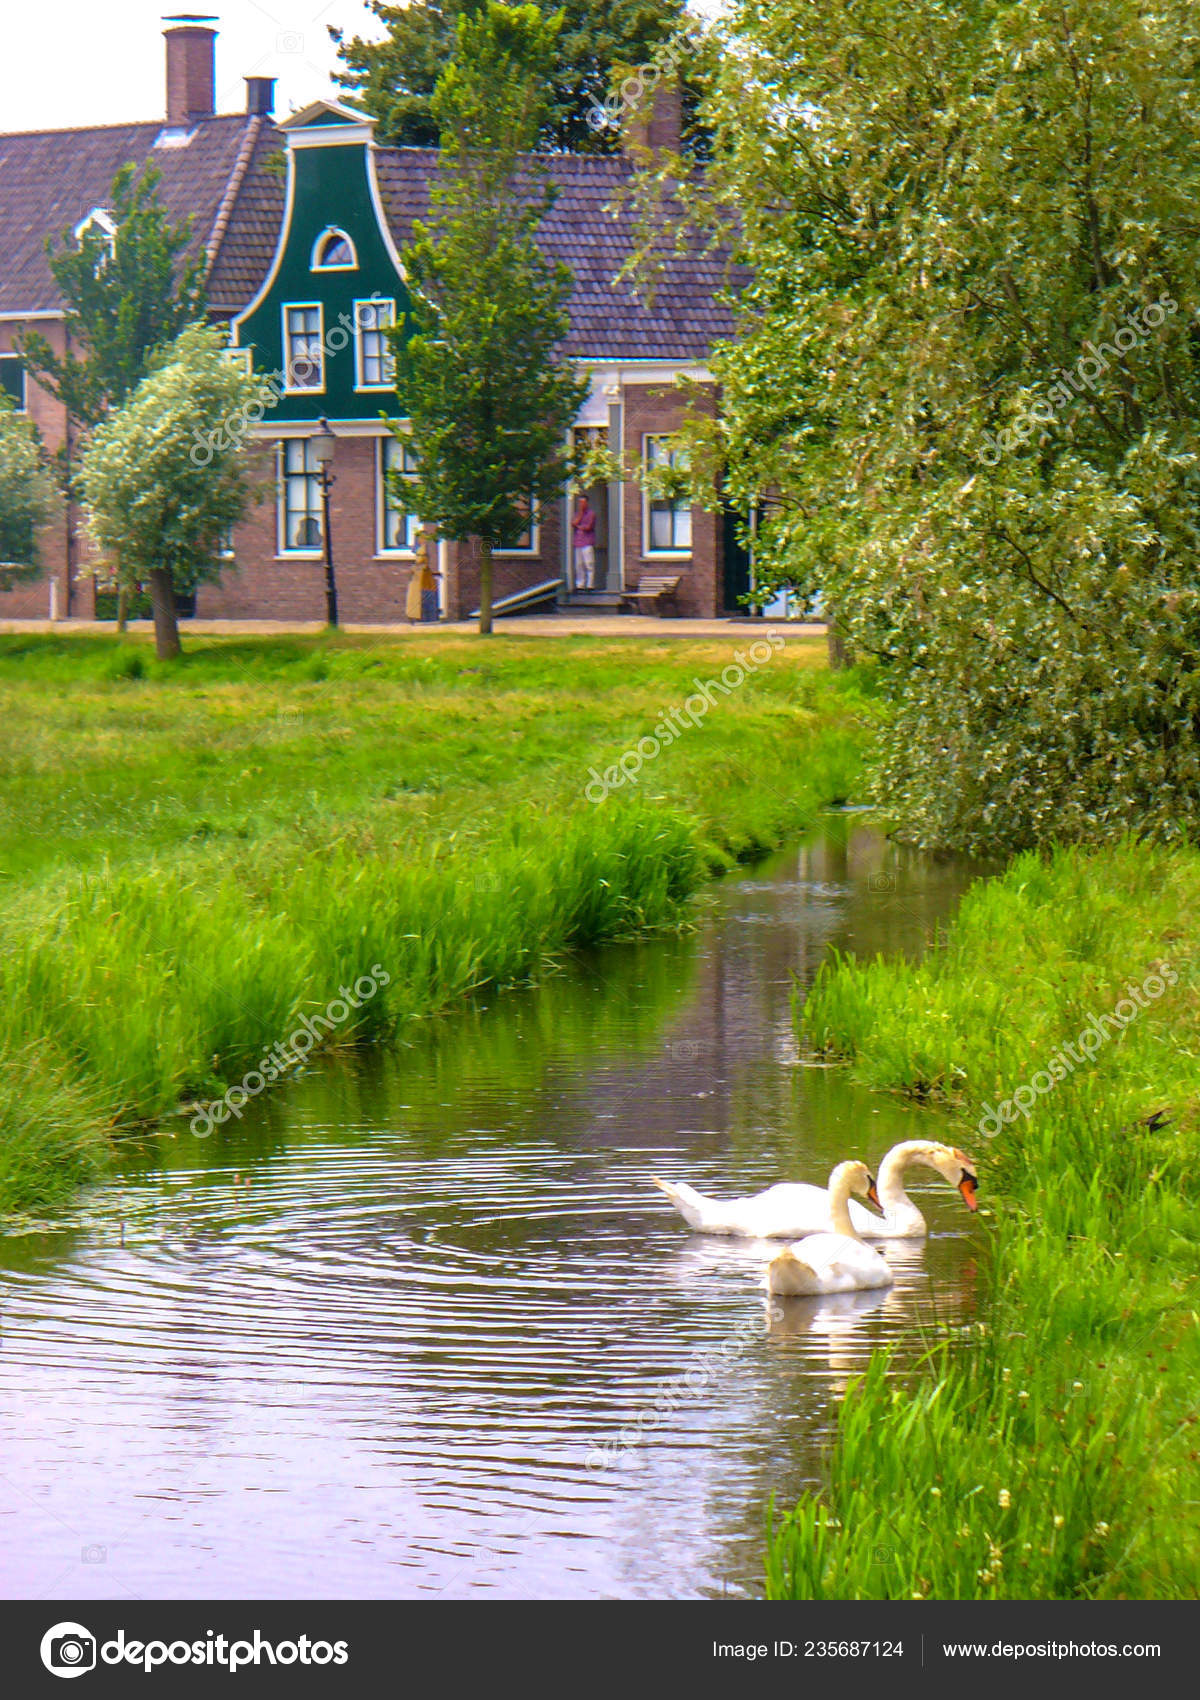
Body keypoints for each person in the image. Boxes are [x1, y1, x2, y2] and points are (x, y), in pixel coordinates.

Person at [406, 534, 440, 623]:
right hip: (422, 577)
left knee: (423, 595)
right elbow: (420, 560)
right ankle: (422, 617)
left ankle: (422, 617)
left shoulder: (421, 551)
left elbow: (420, 560)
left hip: (423, 577)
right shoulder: (421, 550)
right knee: (423, 595)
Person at [572, 494, 597, 591]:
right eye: (580, 502)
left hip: (587, 541)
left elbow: (588, 527)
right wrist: (580, 514)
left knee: (589, 563)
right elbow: (573, 523)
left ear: (587, 502)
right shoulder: (577, 513)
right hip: (578, 542)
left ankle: (590, 584)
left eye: (583, 502)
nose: (581, 504)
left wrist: (579, 526)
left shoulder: (591, 514)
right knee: (579, 564)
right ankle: (580, 584)